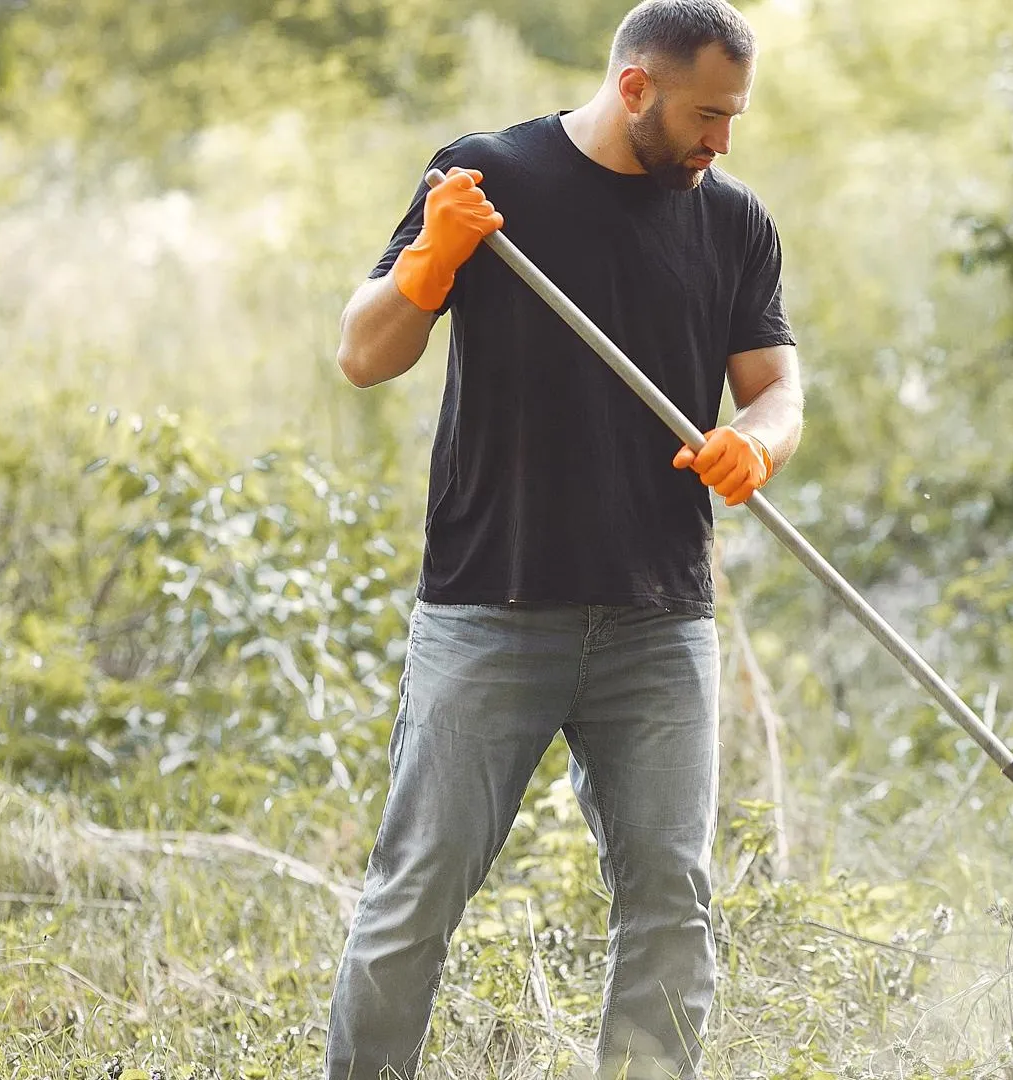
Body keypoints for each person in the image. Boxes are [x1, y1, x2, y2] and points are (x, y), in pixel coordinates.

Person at [324, 1, 802, 1076]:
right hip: (492, 608)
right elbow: (362, 355)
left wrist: (757, 445)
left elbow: (776, 390)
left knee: (672, 912)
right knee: (414, 901)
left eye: (734, 117)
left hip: (660, 622)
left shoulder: (733, 222)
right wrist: (429, 263)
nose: (721, 140)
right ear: (636, 86)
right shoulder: (489, 176)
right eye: (706, 115)